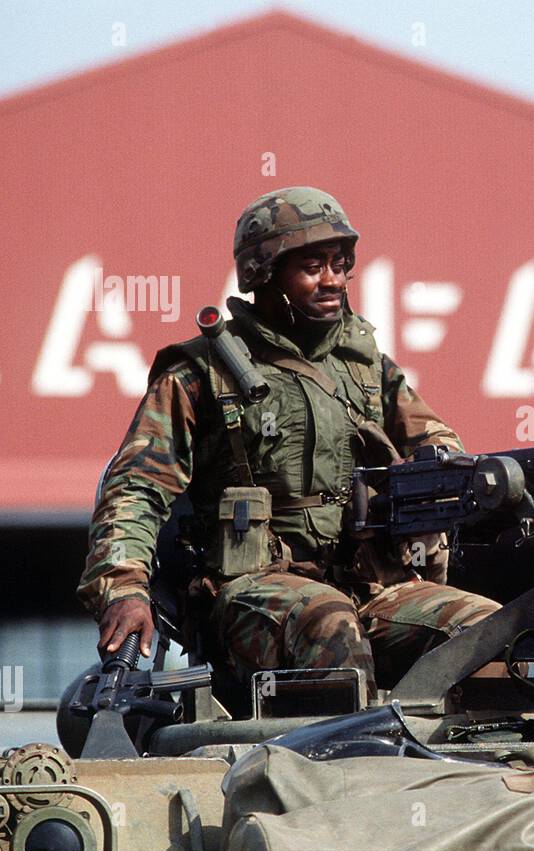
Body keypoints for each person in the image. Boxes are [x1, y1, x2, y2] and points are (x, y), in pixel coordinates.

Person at [77, 187, 499, 700]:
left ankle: (482, 773)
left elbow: (440, 450)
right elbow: (136, 488)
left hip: (369, 589)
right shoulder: (202, 373)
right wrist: (123, 589)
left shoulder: (366, 368)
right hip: (248, 598)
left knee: (491, 631)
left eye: (341, 263)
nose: (333, 280)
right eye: (312, 265)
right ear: (262, 273)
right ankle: (330, 777)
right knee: (330, 626)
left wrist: (485, 482)